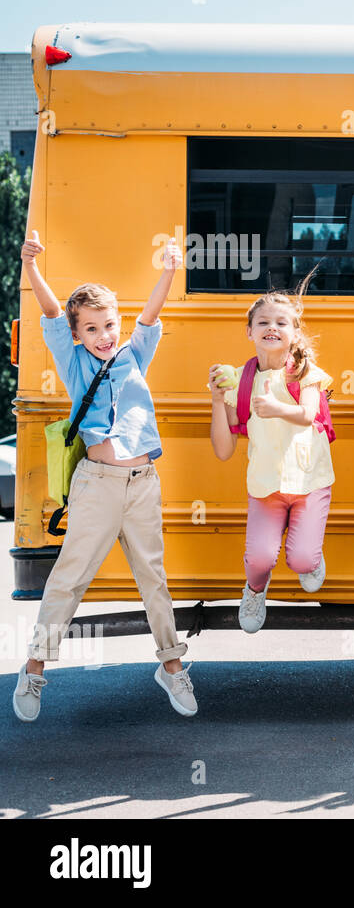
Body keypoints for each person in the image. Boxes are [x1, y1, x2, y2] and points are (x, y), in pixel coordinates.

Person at [13, 230, 197, 721]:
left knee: (153, 580)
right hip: (97, 483)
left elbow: (150, 317)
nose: (103, 335)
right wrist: (31, 266)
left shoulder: (134, 357)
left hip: (142, 484)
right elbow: (51, 313)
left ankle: (171, 666)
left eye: (108, 325)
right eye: (91, 329)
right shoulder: (72, 361)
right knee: (69, 577)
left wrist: (169, 271)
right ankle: (34, 668)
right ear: (78, 334)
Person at [207, 279, 334, 633]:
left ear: (294, 333)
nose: (272, 328)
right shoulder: (240, 379)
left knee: (301, 560)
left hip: (310, 481)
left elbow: (308, 414)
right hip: (266, 485)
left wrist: (277, 407)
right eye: (263, 322)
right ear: (249, 331)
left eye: (281, 323)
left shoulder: (306, 372)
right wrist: (218, 401)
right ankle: (254, 590)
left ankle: (310, 555)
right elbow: (223, 449)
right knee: (260, 559)